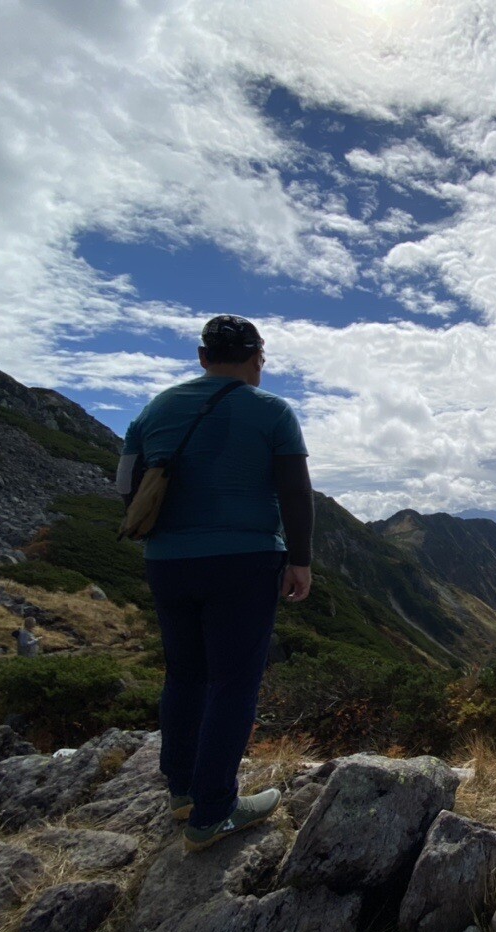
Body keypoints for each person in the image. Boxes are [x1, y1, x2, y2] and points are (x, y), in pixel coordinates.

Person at [116, 315, 314, 851]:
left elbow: (126, 485)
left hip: (167, 562)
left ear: (203, 357)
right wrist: (300, 560)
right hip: (245, 562)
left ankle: (182, 791)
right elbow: (295, 492)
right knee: (234, 683)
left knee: (184, 675)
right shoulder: (272, 411)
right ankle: (214, 812)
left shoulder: (155, 410)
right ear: (257, 358)